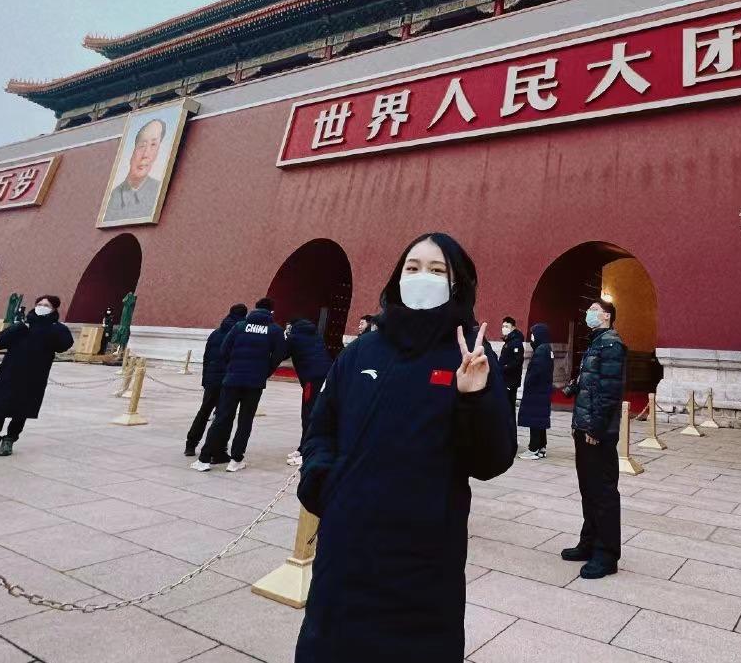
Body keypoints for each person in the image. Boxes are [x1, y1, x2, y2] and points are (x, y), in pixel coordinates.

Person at [295, 233, 515, 662]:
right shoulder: (361, 351)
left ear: (457, 283)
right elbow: (321, 429)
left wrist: (474, 396)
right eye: (412, 268)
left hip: (424, 555)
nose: (422, 277)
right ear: (397, 277)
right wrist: (324, 486)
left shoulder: (469, 355)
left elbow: (492, 460)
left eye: (437, 270)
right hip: (347, 546)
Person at [561, 297, 625, 579]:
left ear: (607, 316)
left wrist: (596, 430)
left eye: (595, 310)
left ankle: (606, 554)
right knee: (588, 489)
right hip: (584, 427)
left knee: (602, 493)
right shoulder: (596, 343)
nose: (589, 313)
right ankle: (588, 542)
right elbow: (591, 384)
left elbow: (609, 392)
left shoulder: (612, 345)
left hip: (598, 432)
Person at [193, 297, 286, 473]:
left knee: (222, 417)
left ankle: (204, 459)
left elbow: (224, 349)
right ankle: (236, 460)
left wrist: (232, 367)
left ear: (255, 309)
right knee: (245, 421)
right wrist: (265, 371)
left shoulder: (240, 326)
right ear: (271, 312)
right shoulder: (275, 330)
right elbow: (279, 354)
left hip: (232, 379)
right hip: (255, 383)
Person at [0, 294, 74, 456]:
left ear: (54, 309)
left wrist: (53, 330)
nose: (41, 307)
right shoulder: (23, 325)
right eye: (39, 304)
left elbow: (63, 346)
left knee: (22, 410)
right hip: (9, 373)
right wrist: (19, 328)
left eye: (46, 305)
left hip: (34, 376)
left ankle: (10, 439)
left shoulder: (57, 328)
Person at [185, 303, 246, 458]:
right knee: (223, 416)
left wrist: (205, 379)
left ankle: (191, 444)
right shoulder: (240, 333)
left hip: (212, 378)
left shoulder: (215, 333)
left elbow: (206, 358)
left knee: (204, 411)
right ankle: (218, 449)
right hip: (228, 379)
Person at [284, 315, 334, 466]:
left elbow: (281, 354)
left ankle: (307, 452)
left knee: (308, 414)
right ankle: (303, 447)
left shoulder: (294, 338)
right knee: (315, 413)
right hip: (326, 377)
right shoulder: (315, 336)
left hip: (312, 380)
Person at [103, 117, 167, 222]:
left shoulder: (158, 191)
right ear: (132, 150)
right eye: (142, 145)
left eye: (153, 145)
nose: (146, 154)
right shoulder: (113, 196)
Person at [517, 322, 553, 460]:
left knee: (535, 421)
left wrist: (528, 383)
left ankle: (533, 448)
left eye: (533, 334)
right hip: (542, 391)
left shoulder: (541, 350)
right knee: (540, 420)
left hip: (536, 391)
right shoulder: (546, 348)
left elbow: (536, 372)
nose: (532, 336)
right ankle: (542, 447)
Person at [497, 316, 525, 418]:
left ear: (513, 327)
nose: (504, 329)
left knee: (509, 406)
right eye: (503, 326)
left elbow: (517, 361)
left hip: (511, 380)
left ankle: (510, 426)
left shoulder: (516, 342)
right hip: (505, 378)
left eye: (506, 326)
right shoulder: (508, 341)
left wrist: (503, 367)